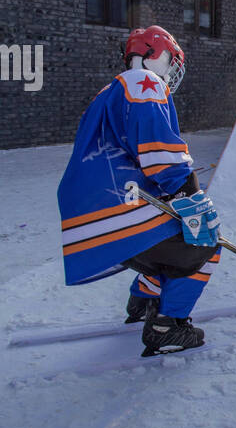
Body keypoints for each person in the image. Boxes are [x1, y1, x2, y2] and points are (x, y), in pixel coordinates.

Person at [57, 26, 221, 356]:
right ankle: (166, 328)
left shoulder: (110, 90)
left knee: (168, 238)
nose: (173, 71)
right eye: (171, 61)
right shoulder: (144, 84)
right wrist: (189, 193)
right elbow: (161, 153)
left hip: (99, 206)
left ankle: (143, 300)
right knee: (205, 242)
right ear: (154, 55)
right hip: (117, 207)